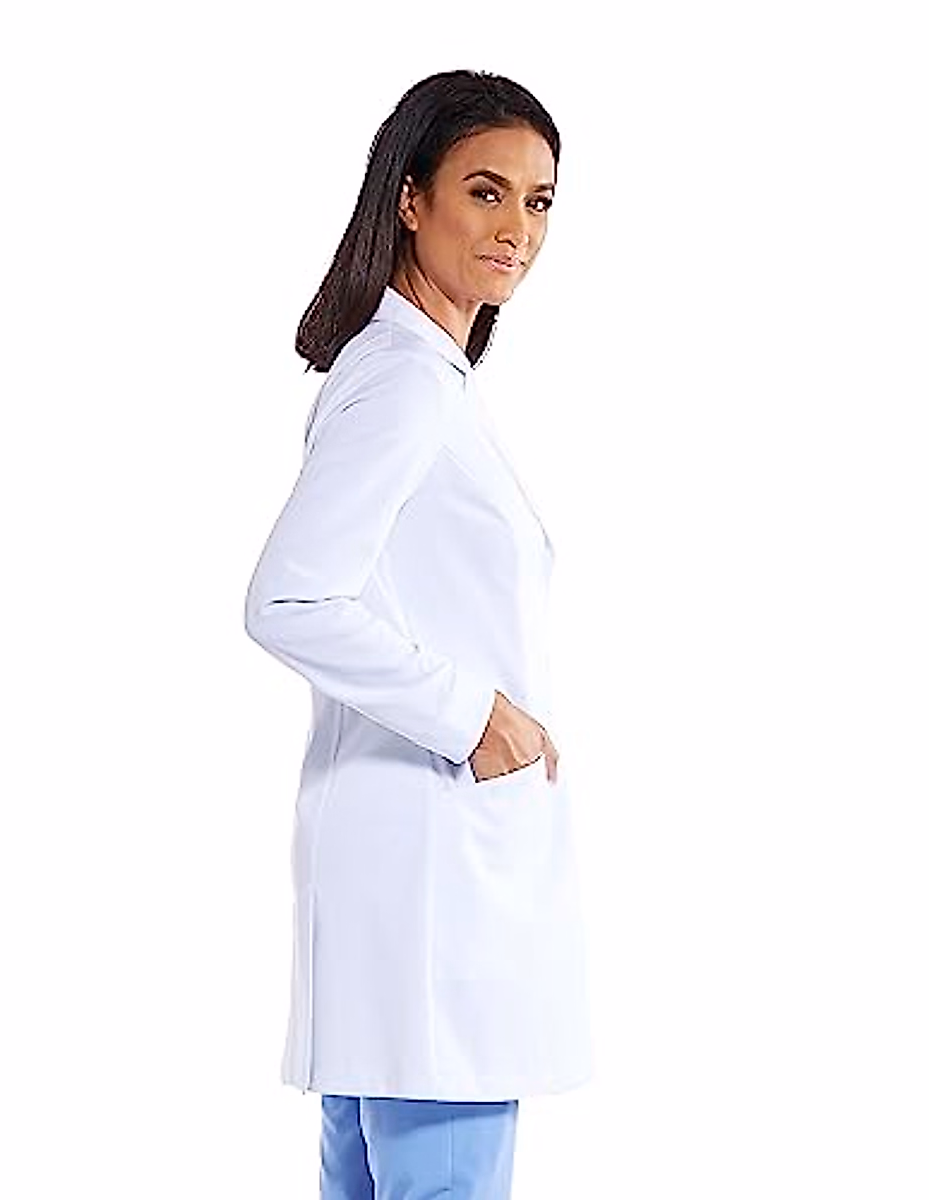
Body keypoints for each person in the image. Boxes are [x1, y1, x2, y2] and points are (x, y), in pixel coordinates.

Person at [244, 68, 593, 1200]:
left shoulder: (407, 372)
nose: (516, 228)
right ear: (410, 198)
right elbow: (290, 599)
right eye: (485, 191)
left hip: (402, 877)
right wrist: (475, 716)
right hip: (431, 880)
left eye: (539, 201)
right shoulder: (404, 384)